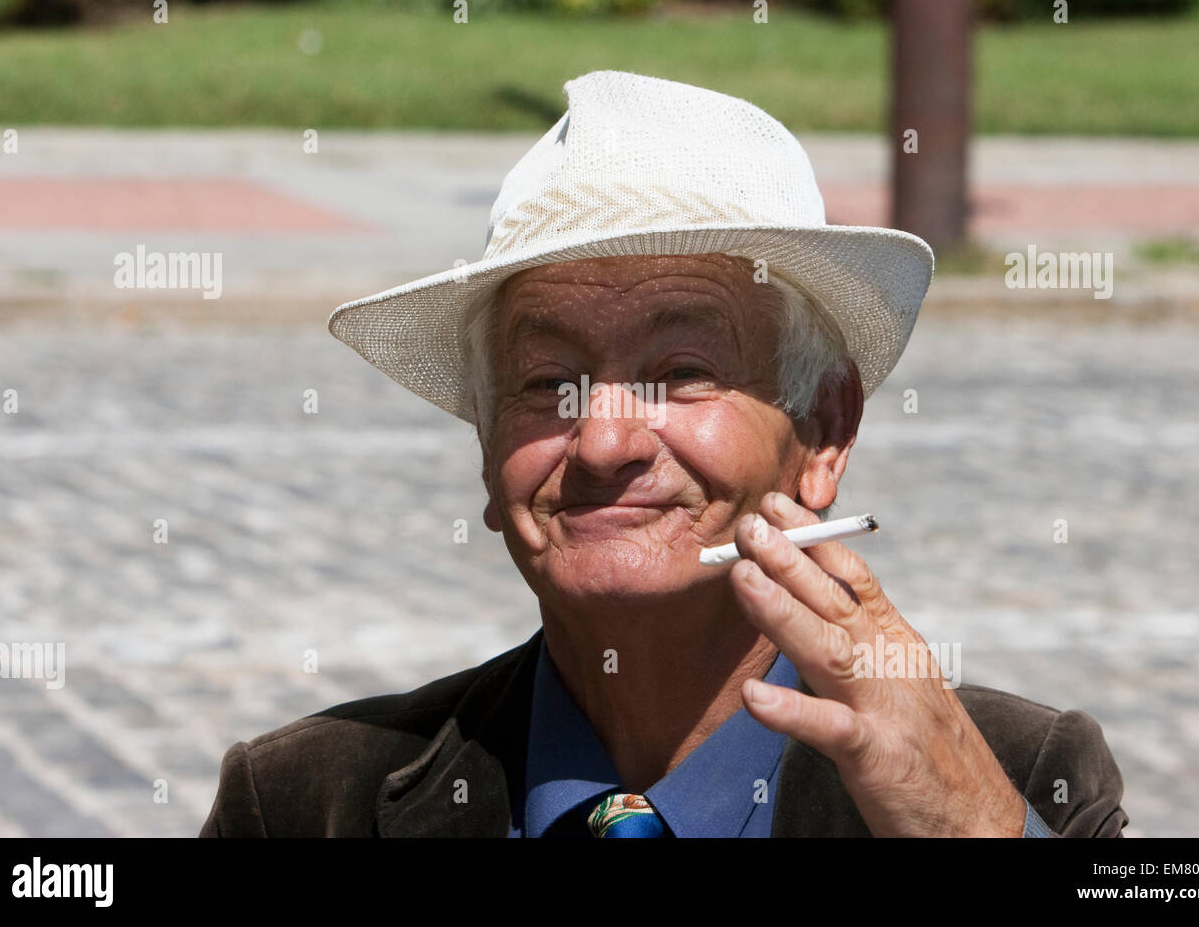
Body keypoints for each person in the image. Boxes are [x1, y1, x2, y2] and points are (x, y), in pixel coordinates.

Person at [200, 70, 1127, 838]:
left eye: (682, 372)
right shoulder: (304, 802)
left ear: (825, 431)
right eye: (546, 383)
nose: (603, 440)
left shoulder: (1017, 777)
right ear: (486, 444)